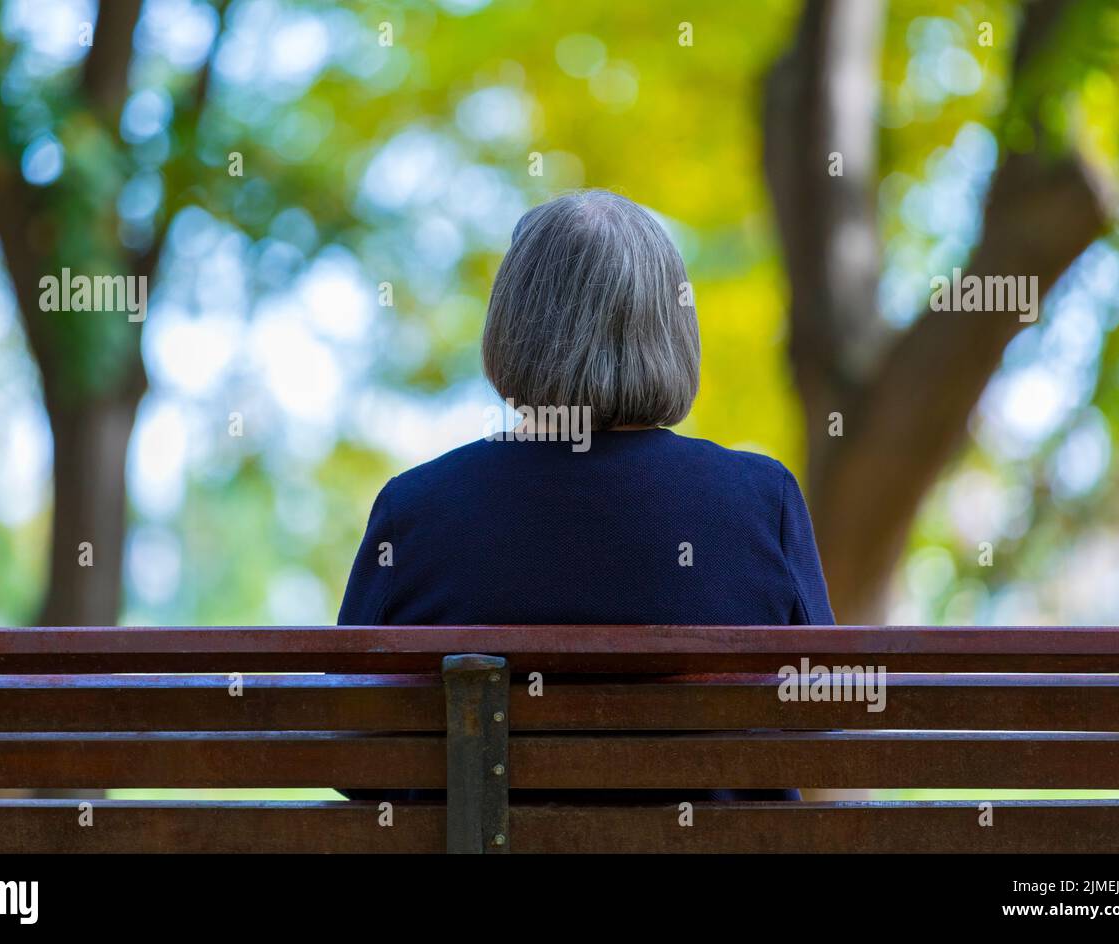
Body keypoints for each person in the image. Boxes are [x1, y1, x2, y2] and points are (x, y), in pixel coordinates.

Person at [338, 189, 834, 802]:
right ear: (671, 329)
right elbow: (824, 732)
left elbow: (351, 757)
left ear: (514, 329)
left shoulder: (415, 510)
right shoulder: (761, 500)